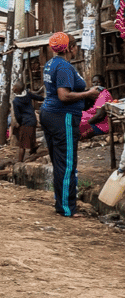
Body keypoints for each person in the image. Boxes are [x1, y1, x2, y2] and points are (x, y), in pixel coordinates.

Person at [39, 32, 101, 218]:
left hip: (50, 114)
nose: (76, 49)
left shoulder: (51, 64)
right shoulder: (65, 67)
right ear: (69, 48)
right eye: (74, 46)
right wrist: (88, 94)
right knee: (67, 163)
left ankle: (63, 203)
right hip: (62, 116)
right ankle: (67, 208)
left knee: (60, 162)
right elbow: (64, 95)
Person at [11, 81, 43, 162]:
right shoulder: (27, 94)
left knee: (22, 145)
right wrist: (46, 99)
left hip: (25, 122)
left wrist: (20, 122)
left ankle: (20, 162)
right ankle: (33, 152)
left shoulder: (16, 101)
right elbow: (38, 98)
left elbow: (17, 115)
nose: (12, 88)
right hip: (33, 120)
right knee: (31, 137)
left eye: (14, 87)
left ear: (16, 89)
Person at [80, 75, 112, 140]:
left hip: (100, 126)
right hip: (90, 121)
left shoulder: (104, 95)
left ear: (104, 83)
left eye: (98, 82)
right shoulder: (96, 94)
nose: (96, 84)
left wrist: (85, 123)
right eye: (94, 82)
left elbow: (100, 116)